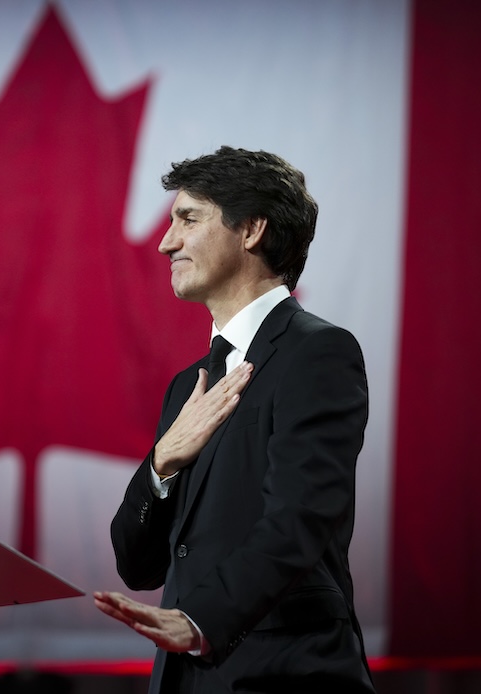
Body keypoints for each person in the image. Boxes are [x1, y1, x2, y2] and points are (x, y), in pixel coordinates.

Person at [94, 147, 375, 693]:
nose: (165, 241)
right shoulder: (187, 386)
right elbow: (139, 566)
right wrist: (161, 465)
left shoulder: (318, 353)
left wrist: (198, 619)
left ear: (249, 230)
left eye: (187, 219)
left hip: (286, 675)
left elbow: (299, 519)